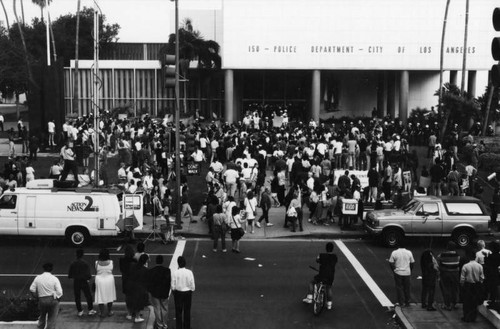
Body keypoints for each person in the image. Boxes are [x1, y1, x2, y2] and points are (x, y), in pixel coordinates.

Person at [302, 242, 338, 310]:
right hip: (330, 275)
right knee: (328, 288)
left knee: (312, 282)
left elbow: (317, 260)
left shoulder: (321, 255)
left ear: (326, 248)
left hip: (322, 274)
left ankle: (309, 297)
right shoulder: (335, 257)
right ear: (332, 249)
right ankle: (329, 304)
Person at [30, 263, 63, 329]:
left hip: (42, 300)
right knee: (51, 319)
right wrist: (57, 299)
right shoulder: (54, 279)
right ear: (51, 269)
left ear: (43, 269)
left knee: (42, 317)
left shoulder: (38, 278)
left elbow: (32, 289)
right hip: (52, 300)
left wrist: (37, 297)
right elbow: (59, 292)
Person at [68, 249, 96, 316]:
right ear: (82, 255)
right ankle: (90, 309)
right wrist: (87, 278)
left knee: (77, 297)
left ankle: (80, 310)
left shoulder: (73, 263)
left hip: (76, 281)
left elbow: (70, 275)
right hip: (84, 281)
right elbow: (88, 275)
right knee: (88, 296)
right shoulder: (85, 263)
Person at [460, 248, 484, 322]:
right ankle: (473, 317)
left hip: (468, 285)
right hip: (476, 285)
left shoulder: (465, 266)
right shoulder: (480, 266)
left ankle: (466, 317)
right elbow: (482, 278)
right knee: (474, 303)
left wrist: (462, 286)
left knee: (467, 302)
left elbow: (462, 278)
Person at [147, 255, 171, 329]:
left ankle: (159, 324)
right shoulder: (167, 270)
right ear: (162, 261)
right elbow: (168, 282)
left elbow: (150, 283)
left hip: (155, 293)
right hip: (164, 293)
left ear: (156, 261)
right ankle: (165, 324)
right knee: (165, 308)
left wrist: (150, 292)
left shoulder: (151, 271)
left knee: (157, 308)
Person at [171, 256, 195, 329]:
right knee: (187, 311)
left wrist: (174, 292)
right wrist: (191, 290)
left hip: (178, 293)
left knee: (178, 311)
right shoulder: (189, 272)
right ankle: (187, 327)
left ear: (178, 263)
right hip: (188, 293)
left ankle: (179, 327)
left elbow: (173, 286)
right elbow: (192, 285)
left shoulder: (175, 273)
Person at [437, 241, 461, 310]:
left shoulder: (442, 255)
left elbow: (438, 262)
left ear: (447, 247)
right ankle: (455, 303)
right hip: (455, 273)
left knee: (446, 288)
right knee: (455, 288)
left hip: (445, 273)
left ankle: (447, 305)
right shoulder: (457, 255)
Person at [127, 254, 150, 323]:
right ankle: (137, 317)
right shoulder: (145, 269)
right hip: (140, 287)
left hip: (131, 285)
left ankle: (130, 314)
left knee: (131, 300)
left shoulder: (132, 265)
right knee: (138, 302)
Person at [94, 248, 117, 317]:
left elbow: (96, 270)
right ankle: (109, 311)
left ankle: (102, 312)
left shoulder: (97, 262)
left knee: (100, 296)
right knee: (110, 295)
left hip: (99, 280)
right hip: (109, 279)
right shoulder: (111, 262)